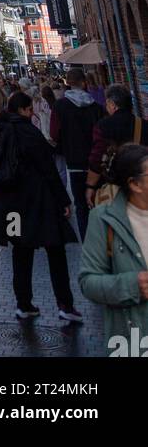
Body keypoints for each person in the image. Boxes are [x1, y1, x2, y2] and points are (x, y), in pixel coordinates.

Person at [0, 91, 82, 323]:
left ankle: (23, 304)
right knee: (55, 249)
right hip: (40, 203)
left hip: (11, 208)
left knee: (20, 251)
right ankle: (65, 304)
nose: (32, 113)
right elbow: (49, 170)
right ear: (23, 110)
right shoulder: (30, 132)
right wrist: (63, 200)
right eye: (30, 110)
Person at [79, 143, 148, 353]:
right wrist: (133, 285)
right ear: (135, 184)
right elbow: (88, 282)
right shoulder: (104, 220)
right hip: (132, 341)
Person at [50, 69, 103, 240]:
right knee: (99, 203)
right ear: (84, 82)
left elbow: (54, 133)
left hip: (74, 163)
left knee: (81, 206)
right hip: (96, 163)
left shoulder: (60, 106)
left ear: (68, 83)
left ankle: (88, 244)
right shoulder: (96, 107)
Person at [85, 84, 142, 208]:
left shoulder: (103, 126)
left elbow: (97, 158)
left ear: (112, 104)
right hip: (141, 184)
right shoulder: (142, 124)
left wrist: (90, 186)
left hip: (115, 186)